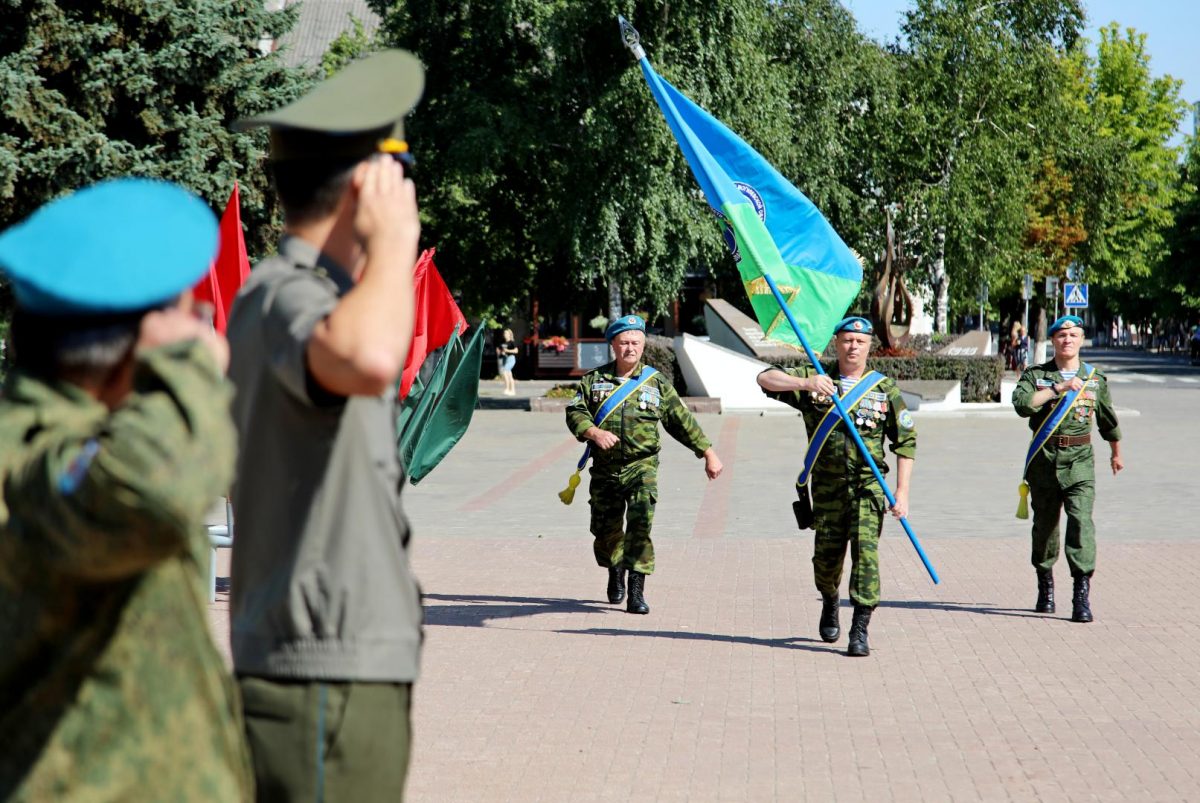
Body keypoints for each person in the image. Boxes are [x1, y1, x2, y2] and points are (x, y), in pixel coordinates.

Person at [0, 179, 252, 800]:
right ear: (140, 345)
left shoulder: (86, 437)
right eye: (182, 315)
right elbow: (158, 491)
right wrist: (188, 367)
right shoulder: (32, 451)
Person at [225, 50, 425, 800]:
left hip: (331, 668)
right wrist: (397, 243)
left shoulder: (313, 299)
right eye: (396, 179)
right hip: (317, 674)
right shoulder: (286, 296)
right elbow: (372, 356)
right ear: (372, 184)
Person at [757, 317, 916, 657]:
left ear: (870, 345)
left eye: (859, 341)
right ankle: (830, 599)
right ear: (836, 343)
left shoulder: (883, 389)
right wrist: (806, 382)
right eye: (846, 340)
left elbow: (906, 442)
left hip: (868, 488)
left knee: (866, 557)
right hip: (827, 491)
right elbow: (763, 378)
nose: (853, 346)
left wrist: (902, 492)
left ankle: (859, 629)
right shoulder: (818, 379)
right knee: (826, 564)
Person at [565, 315, 723, 614]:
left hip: (642, 466)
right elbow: (575, 412)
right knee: (605, 529)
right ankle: (615, 569)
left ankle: (636, 592)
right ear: (613, 344)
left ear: (643, 345)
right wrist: (594, 432)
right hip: (605, 469)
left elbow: (681, 421)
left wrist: (707, 452)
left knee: (640, 526)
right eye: (624, 342)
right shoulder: (593, 381)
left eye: (635, 343)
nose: (630, 348)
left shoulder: (656, 382)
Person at [1012, 315, 1122, 623]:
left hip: (1080, 461)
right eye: (1061, 335)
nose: (1067, 340)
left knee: (1081, 522)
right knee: (1045, 528)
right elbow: (1022, 404)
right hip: (1045, 461)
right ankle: (1045, 584)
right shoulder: (1038, 375)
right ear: (1052, 340)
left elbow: (1107, 419)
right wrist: (1058, 388)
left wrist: (1116, 452)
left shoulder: (1094, 378)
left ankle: (1081, 594)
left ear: (1082, 339)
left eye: (1073, 334)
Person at [497, 327, 518, 395]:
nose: (505, 334)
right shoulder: (502, 343)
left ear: (509, 334)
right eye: (504, 333)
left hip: (511, 358)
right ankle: (513, 390)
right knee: (509, 375)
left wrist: (507, 350)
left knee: (505, 372)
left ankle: (507, 389)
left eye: (506, 333)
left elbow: (516, 351)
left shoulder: (512, 342)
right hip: (505, 359)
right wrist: (500, 352)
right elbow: (499, 351)